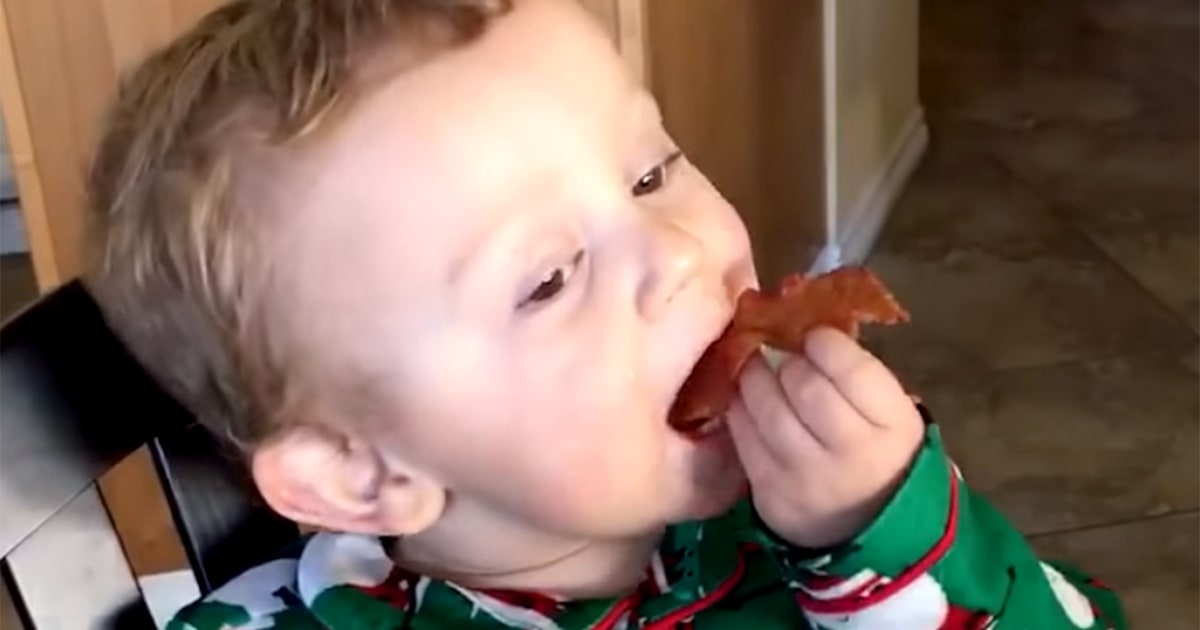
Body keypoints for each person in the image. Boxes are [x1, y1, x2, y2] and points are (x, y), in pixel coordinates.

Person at [86, 0, 1127, 628]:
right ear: (366, 474)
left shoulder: (818, 545)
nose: (676, 253)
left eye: (651, 171)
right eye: (545, 280)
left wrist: (896, 540)